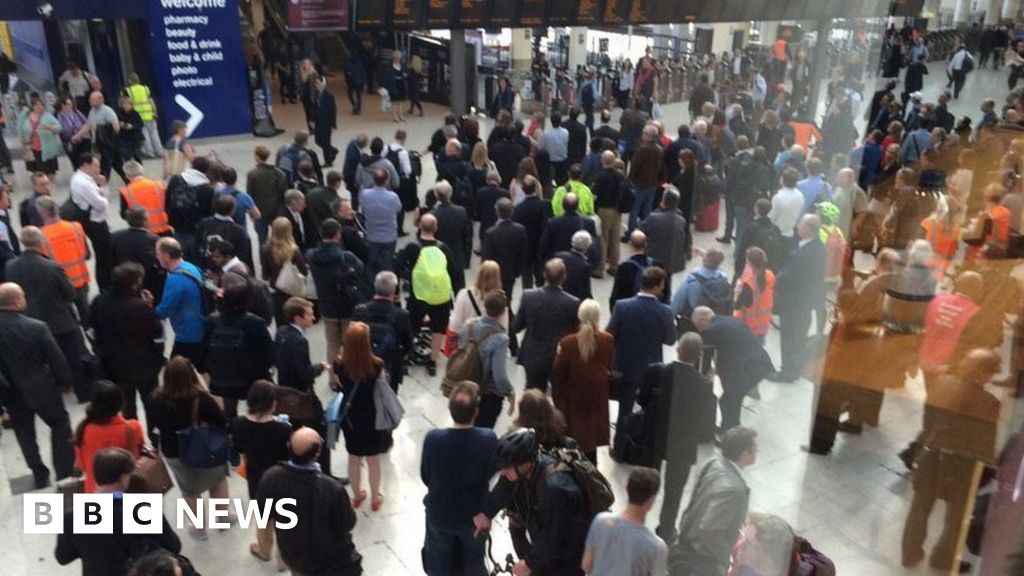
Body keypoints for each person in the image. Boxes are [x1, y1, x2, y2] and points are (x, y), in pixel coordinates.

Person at [902, 349, 1002, 571]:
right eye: (993, 371)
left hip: (931, 457)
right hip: (962, 468)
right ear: (984, 373)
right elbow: (985, 446)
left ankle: (910, 553)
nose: (994, 376)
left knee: (919, 509)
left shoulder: (941, 383)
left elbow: (927, 423)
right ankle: (942, 560)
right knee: (956, 518)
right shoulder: (989, 402)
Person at [476, 428, 590, 576]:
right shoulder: (524, 469)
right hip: (547, 548)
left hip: (566, 557)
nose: (503, 472)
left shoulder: (555, 488)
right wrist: (487, 512)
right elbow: (505, 484)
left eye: (507, 467)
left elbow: (554, 535)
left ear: (526, 463)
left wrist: (530, 563)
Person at [56, 448, 181, 576]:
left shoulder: (72, 514)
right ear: (123, 477)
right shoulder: (140, 510)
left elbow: (63, 556)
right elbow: (173, 545)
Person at [257, 427, 362, 575]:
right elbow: (347, 523)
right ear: (317, 454)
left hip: (295, 557)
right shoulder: (331, 488)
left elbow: (264, 515)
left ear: (288, 446)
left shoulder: (271, 478)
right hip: (331, 562)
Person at [0, 282, 74, 488]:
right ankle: (64, 471)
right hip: (42, 387)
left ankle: (38, 472)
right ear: (15, 302)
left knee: (24, 432)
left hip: (11, 394)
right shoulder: (36, 327)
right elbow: (56, 358)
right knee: (60, 424)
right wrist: (65, 381)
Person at [149, 356, 230, 541]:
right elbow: (222, 423)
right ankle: (223, 518)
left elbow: (153, 426)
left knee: (189, 490)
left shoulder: (156, 399)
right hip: (206, 448)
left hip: (174, 451)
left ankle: (199, 528)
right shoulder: (201, 399)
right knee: (217, 481)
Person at [422, 381, 499, 576]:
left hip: (440, 513)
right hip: (474, 516)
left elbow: (426, 475)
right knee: (474, 562)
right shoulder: (488, 438)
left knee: (439, 565)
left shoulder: (433, 438)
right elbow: (492, 470)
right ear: (476, 411)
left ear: (450, 409)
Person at [6, 225, 89, 402]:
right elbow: (69, 294)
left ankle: (52, 394)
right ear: (41, 242)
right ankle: (82, 392)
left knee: (42, 362)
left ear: (21, 242)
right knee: (74, 357)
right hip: (60, 321)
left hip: (30, 321)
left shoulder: (11, 266)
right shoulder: (52, 267)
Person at [608, 266, 677, 460]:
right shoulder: (664, 311)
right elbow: (671, 339)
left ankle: (619, 450)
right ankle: (641, 451)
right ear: (657, 286)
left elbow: (611, 333)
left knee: (624, 411)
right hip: (651, 369)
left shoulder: (622, 306)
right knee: (648, 411)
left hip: (625, 367)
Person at [668, 426, 757, 576]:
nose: (756, 451)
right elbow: (709, 529)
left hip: (686, 544)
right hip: (704, 559)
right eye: (754, 448)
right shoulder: (734, 489)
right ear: (745, 454)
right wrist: (725, 555)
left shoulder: (712, 463)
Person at [89, 262, 164, 423]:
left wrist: (101, 353)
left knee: (127, 408)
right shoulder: (140, 308)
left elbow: (91, 331)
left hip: (114, 367)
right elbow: (157, 334)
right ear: (135, 283)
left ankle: (133, 442)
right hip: (144, 367)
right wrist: (149, 307)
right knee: (152, 407)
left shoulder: (99, 302)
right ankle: (154, 439)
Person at [231, 380, 292, 563]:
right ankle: (283, 559)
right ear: (272, 403)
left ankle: (264, 550)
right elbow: (289, 455)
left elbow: (241, 450)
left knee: (263, 518)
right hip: (281, 479)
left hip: (257, 478)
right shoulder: (283, 429)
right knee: (285, 520)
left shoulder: (239, 424)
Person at [334, 322, 392, 512]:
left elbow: (338, 385)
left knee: (354, 458)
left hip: (350, 418)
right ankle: (375, 497)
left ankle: (357, 495)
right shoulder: (376, 365)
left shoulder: (340, 364)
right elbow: (383, 385)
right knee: (373, 459)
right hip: (372, 417)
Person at [552, 299, 614, 464]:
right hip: (597, 398)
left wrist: (558, 399)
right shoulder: (608, 340)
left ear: (579, 316)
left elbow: (558, 372)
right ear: (598, 317)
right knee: (591, 441)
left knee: (573, 438)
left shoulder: (568, 343)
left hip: (573, 399)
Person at [692, 306, 773, 429]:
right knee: (732, 398)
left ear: (703, 320)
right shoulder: (731, 319)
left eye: (698, 325)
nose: (699, 330)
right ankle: (731, 428)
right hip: (760, 363)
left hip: (746, 370)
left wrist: (700, 374)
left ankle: (730, 432)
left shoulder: (709, 330)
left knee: (728, 401)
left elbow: (702, 355)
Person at [275, 296, 331, 473]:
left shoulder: (281, 332)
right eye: (309, 315)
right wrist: (320, 367)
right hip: (302, 396)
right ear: (297, 318)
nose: (313, 318)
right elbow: (304, 372)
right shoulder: (299, 341)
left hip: (286, 394)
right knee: (319, 432)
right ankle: (324, 471)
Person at [202, 281, 273, 419]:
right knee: (258, 408)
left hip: (222, 376)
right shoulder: (254, 322)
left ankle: (232, 432)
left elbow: (204, 349)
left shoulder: (212, 321)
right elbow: (267, 350)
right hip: (252, 376)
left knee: (229, 410)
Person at [397, 214, 457, 375]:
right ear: (436, 228)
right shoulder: (443, 248)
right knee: (439, 328)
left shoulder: (412, 247)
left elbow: (397, 266)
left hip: (419, 295)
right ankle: (432, 361)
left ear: (419, 226)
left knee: (412, 326)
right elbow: (453, 271)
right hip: (440, 295)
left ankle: (406, 358)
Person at [581, 467, 668, 576]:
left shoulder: (600, 521)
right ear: (652, 500)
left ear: (626, 489)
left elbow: (586, 565)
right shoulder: (656, 547)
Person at [307, 218, 367, 372]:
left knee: (332, 342)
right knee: (349, 342)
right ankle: (348, 373)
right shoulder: (345, 256)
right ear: (338, 235)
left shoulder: (312, 255)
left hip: (326, 304)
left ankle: (333, 377)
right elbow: (360, 269)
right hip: (346, 303)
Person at [772, 214, 825, 382]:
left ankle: (787, 372)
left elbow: (791, 277)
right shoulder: (819, 247)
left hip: (794, 303)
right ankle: (795, 368)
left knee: (789, 337)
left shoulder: (804, 253)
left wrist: (777, 280)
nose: (797, 226)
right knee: (799, 337)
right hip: (805, 303)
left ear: (808, 229)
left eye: (801, 224)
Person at [514, 258, 581, 390]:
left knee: (533, 396)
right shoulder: (572, 302)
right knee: (559, 395)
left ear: (544, 274)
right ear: (564, 277)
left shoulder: (529, 296)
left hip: (533, 354)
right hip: (558, 355)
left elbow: (516, 327)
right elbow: (575, 331)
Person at [72, 380, 145, 493]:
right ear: (120, 402)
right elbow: (135, 459)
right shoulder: (132, 428)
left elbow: (82, 466)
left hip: (93, 490)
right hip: (124, 490)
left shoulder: (83, 429)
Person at [457, 291, 515, 428]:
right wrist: (510, 391)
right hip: (487, 394)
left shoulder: (468, 325)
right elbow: (499, 375)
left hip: (466, 386)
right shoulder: (501, 338)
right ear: (502, 312)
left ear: (484, 306)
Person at [351, 271, 414, 390]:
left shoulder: (360, 310)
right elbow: (408, 345)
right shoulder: (401, 315)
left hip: (363, 365)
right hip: (390, 367)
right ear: (393, 291)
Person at [149, 237, 206, 366]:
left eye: (158, 254)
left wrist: (149, 306)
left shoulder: (175, 279)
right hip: (201, 327)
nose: (157, 258)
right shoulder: (191, 267)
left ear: (166, 256)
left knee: (175, 371)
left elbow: (164, 311)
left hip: (187, 334)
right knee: (201, 368)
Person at [69, 152, 112, 289]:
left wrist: (103, 186)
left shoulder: (84, 179)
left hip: (95, 219)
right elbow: (101, 204)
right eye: (95, 166)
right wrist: (104, 191)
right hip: (95, 222)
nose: (98, 169)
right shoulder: (84, 183)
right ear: (85, 165)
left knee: (104, 253)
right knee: (103, 253)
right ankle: (104, 284)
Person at [261, 216, 309, 325]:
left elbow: (265, 274)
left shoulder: (265, 249)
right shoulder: (294, 249)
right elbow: (304, 271)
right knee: (297, 321)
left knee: (281, 321)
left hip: (276, 288)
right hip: (293, 289)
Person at [165, 155, 215, 259]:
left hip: (177, 223)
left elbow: (167, 199)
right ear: (206, 170)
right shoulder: (207, 189)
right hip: (196, 227)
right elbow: (210, 211)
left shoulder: (176, 179)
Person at [671, 248, 732, 333]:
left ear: (704, 261)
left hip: (695, 323)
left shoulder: (692, 281)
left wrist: (669, 321)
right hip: (715, 321)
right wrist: (707, 255)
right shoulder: (723, 277)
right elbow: (716, 264)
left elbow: (677, 303)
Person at [640, 186, 691, 286]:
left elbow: (641, 232)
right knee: (666, 285)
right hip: (671, 262)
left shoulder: (654, 217)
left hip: (655, 259)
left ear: (664, 201)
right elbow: (686, 241)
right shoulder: (681, 221)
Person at [110, 208, 164, 301]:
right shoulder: (153, 240)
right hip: (147, 284)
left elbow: (111, 260)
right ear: (144, 222)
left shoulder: (116, 236)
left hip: (123, 281)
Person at [430, 180, 473, 292]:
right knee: (459, 290)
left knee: (440, 292)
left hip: (438, 257)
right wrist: (466, 259)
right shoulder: (461, 212)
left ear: (436, 195)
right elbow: (467, 236)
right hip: (457, 256)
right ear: (450, 193)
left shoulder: (432, 215)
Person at [360, 167, 402, 279]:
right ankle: (387, 287)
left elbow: (362, 207)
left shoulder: (365, 194)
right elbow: (398, 209)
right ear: (386, 180)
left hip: (372, 235)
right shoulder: (393, 197)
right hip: (389, 236)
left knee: (372, 263)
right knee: (387, 264)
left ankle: (371, 287)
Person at [592, 150, 626, 274]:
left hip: (604, 209)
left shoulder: (600, 177)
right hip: (617, 210)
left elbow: (595, 195)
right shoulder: (620, 176)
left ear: (603, 161)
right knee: (615, 238)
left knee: (603, 239)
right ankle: (614, 266)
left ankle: (600, 268)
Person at [196, 194, 252, 270]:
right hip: (228, 270)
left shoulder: (204, 223)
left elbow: (197, 245)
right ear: (232, 210)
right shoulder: (238, 231)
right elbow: (242, 255)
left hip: (206, 267)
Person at [247, 145, 289, 245]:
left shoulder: (252, 174)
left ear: (256, 156)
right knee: (280, 238)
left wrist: (251, 212)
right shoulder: (279, 173)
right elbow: (284, 192)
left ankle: (264, 259)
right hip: (276, 210)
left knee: (262, 240)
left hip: (260, 211)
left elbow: (250, 194)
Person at [512, 177, 549, 288]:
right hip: (541, 243)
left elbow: (516, 229)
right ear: (536, 188)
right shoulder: (544, 205)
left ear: (523, 190)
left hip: (526, 245)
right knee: (540, 272)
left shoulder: (519, 208)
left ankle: (528, 295)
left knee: (526, 274)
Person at [539, 193, 598, 263]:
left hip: (557, 263)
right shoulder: (589, 223)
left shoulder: (552, 223)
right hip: (580, 265)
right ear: (577, 205)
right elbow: (593, 247)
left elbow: (544, 245)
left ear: (562, 205)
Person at [734, 247, 775, 343]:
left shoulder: (748, 284)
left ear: (750, 263)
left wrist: (737, 292)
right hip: (763, 327)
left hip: (747, 329)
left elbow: (738, 306)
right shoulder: (770, 276)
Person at [120, 160, 172, 236]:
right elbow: (169, 206)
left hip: (142, 232)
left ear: (127, 176)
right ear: (142, 172)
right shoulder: (159, 185)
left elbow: (124, 214)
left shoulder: (126, 191)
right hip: (164, 228)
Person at [628, 125, 664, 233]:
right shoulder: (659, 150)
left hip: (639, 183)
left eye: (644, 133)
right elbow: (660, 168)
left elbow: (635, 167)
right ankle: (644, 232)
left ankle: (632, 233)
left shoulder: (642, 149)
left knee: (634, 209)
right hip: (652, 183)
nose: (642, 135)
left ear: (649, 136)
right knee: (647, 210)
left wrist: (630, 181)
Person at [18, 97, 62, 176]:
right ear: (32, 106)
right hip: (32, 149)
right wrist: (22, 138)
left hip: (47, 149)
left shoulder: (48, 116)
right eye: (37, 105)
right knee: (37, 172)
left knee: (50, 172)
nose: (40, 107)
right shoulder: (25, 117)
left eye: (42, 105)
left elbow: (59, 128)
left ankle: (48, 186)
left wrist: (49, 127)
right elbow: (20, 129)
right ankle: (39, 185)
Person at [87, 91, 125, 182]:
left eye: (92, 99)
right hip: (98, 145)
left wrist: (99, 127)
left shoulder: (108, 111)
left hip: (109, 146)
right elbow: (89, 126)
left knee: (112, 168)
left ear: (100, 100)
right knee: (105, 169)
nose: (89, 101)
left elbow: (116, 128)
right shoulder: (91, 111)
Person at [123, 73, 162, 159]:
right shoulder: (145, 89)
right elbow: (151, 102)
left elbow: (128, 104)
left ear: (130, 81)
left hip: (139, 117)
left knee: (145, 135)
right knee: (154, 134)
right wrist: (155, 113)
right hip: (150, 115)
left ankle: (150, 153)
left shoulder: (129, 91)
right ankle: (159, 151)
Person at [768, 168, 804, 240]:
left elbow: (771, 217)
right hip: (789, 233)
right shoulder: (800, 196)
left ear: (782, 179)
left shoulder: (778, 197)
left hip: (775, 234)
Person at [540, 111, 570, 185]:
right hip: (562, 161)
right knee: (562, 183)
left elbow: (542, 147)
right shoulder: (565, 132)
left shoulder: (546, 134)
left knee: (550, 182)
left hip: (551, 162)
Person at [116, 96, 145, 164]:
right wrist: (120, 124)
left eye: (128, 104)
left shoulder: (135, 113)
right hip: (124, 138)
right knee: (127, 156)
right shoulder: (119, 113)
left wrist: (132, 126)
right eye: (124, 104)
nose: (126, 106)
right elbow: (115, 123)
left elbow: (140, 124)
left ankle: (140, 171)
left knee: (137, 155)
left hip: (135, 137)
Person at [385, 51, 408, 123]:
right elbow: (387, 77)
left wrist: (405, 75)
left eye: (399, 58)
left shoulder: (403, 65)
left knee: (401, 101)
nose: (397, 59)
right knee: (394, 102)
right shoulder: (389, 66)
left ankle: (400, 115)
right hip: (394, 85)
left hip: (402, 84)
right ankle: (395, 117)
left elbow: (406, 73)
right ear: (393, 58)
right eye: (396, 58)